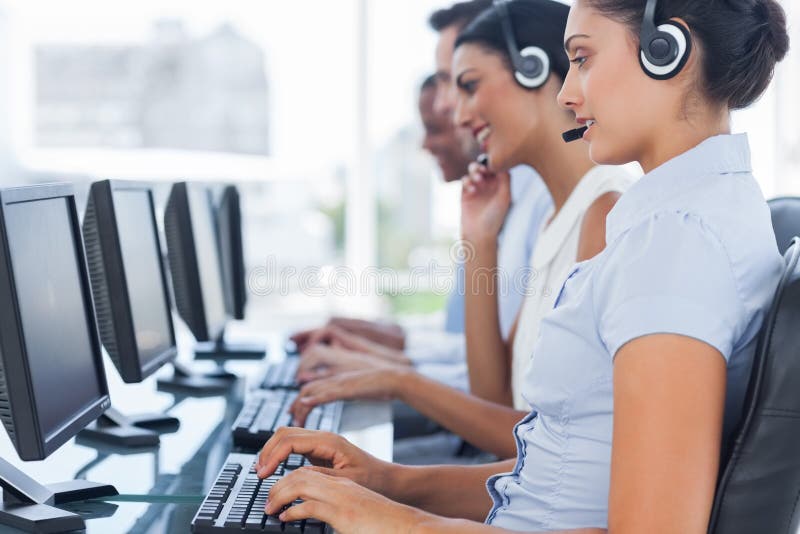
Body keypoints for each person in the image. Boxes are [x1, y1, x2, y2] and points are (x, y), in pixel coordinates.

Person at [255, 0, 790, 531]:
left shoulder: (677, 243)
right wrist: (387, 482)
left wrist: (398, 523)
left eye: (582, 58)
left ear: (666, 50)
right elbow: (559, 474)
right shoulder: (683, 220)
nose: (566, 91)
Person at [287, 0, 632, 460]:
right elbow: (497, 400)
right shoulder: (558, 219)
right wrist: (479, 239)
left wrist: (398, 381)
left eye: (470, 86)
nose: (459, 112)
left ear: (533, 71)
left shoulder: (605, 212)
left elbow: (558, 450)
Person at [291, 0, 553, 397]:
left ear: (528, 72)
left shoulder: (554, 205)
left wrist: (386, 369)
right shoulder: (500, 198)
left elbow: (502, 391)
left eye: (460, 82)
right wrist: (383, 345)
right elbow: (471, 351)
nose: (447, 104)